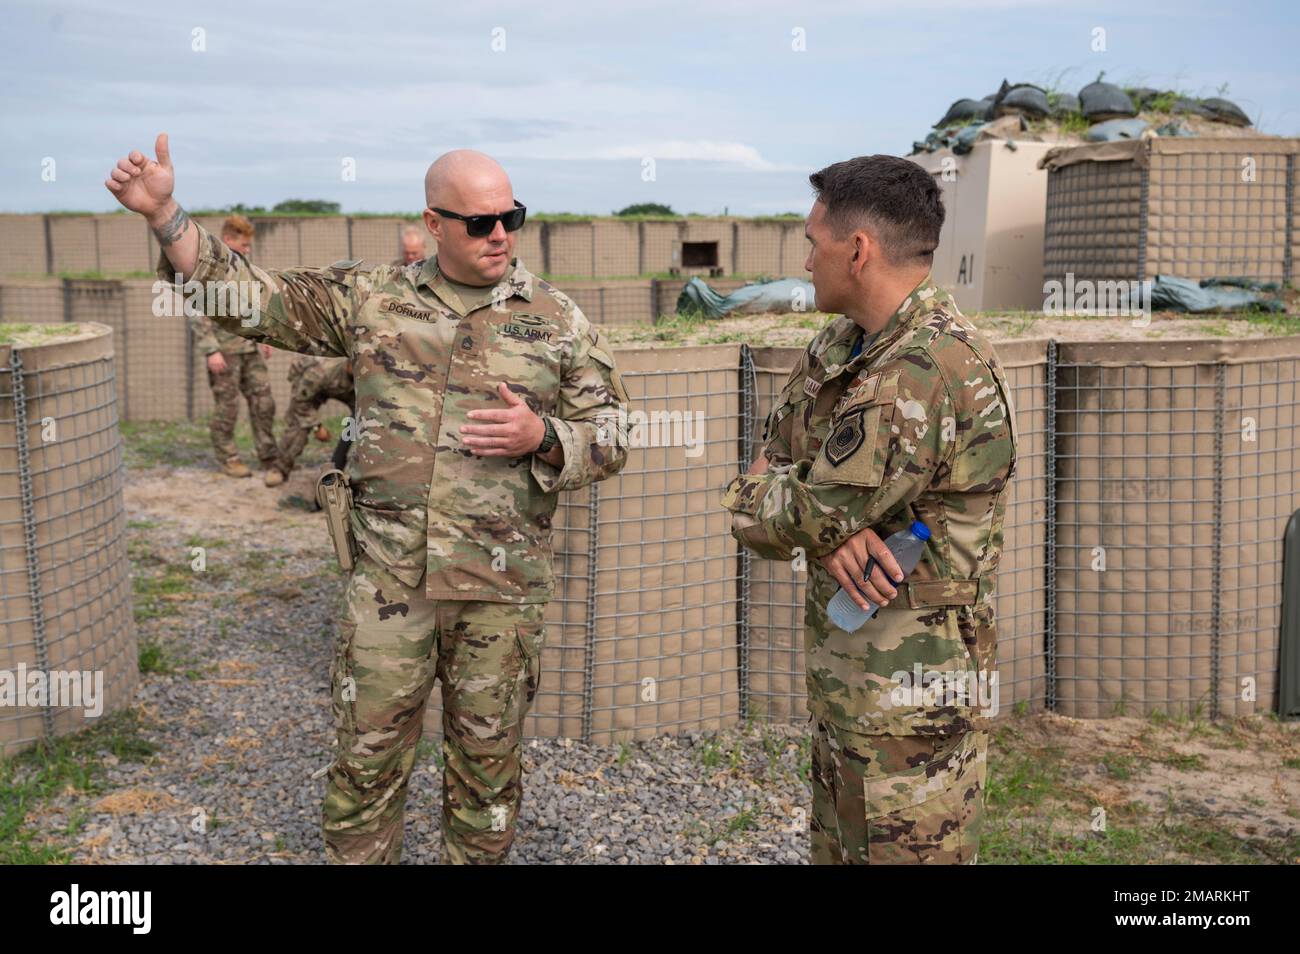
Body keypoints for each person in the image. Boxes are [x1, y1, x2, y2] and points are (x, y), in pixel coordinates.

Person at [107, 135, 629, 864]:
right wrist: (165, 216)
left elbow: (614, 431)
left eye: (512, 216)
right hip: (390, 587)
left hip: (499, 593)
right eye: (481, 222)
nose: (501, 234)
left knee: (488, 773)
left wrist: (545, 436)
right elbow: (251, 299)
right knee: (365, 766)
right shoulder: (370, 298)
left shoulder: (556, 317)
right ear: (436, 223)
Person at [721, 155, 1018, 864]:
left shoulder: (924, 369)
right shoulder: (841, 344)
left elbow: (770, 506)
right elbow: (777, 477)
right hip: (849, 693)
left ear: (857, 251)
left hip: (910, 717)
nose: (804, 258)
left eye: (811, 240)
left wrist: (799, 514)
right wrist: (824, 531)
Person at [189, 214, 278, 479]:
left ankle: (269, 455)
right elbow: (197, 311)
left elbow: (256, 304)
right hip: (225, 352)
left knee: (264, 403)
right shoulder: (210, 270)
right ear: (228, 240)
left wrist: (264, 337)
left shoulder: (244, 268)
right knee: (227, 408)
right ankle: (229, 458)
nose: (248, 250)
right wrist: (211, 350)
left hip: (250, 348)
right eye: (244, 244)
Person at [264, 355, 354, 487]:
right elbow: (302, 403)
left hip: (344, 388)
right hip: (308, 387)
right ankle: (279, 468)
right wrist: (317, 427)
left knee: (363, 418)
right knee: (299, 427)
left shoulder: (367, 376)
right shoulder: (319, 373)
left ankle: (348, 468)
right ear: (348, 364)